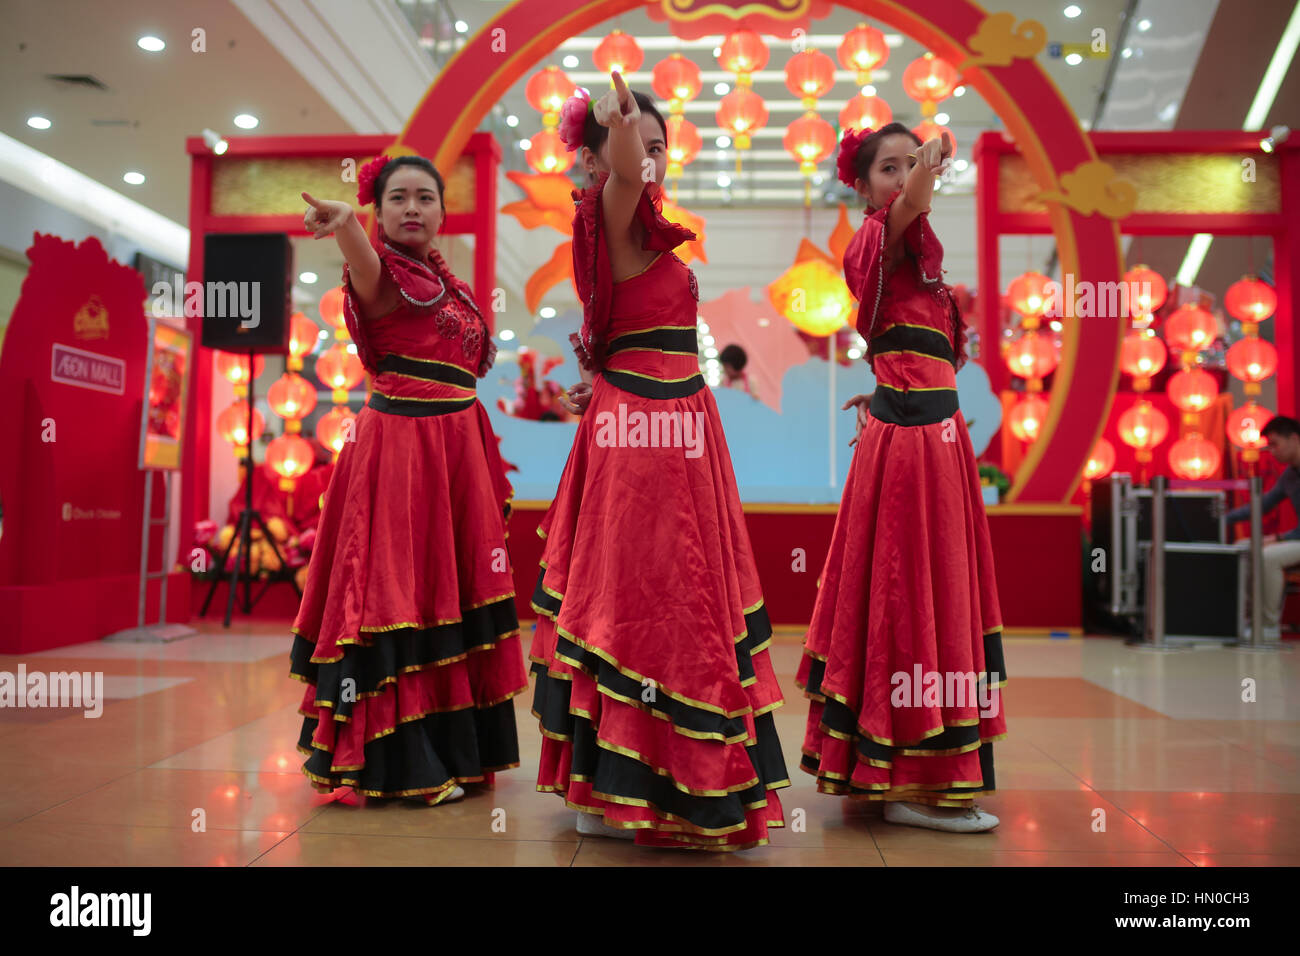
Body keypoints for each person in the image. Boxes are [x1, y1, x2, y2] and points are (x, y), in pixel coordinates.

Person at [528, 73, 789, 850]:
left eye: (659, 144)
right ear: (603, 157)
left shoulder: (643, 228)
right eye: (634, 144)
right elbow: (621, 177)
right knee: (647, 594)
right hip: (644, 424)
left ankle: (622, 779)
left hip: (675, 418)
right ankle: (628, 782)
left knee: (669, 591)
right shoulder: (610, 215)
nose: (651, 156)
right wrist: (619, 128)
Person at [290, 155, 527, 805]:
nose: (413, 208)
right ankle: (401, 764)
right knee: (396, 594)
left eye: (425, 197)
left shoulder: (445, 282)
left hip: (455, 448)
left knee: (446, 590)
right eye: (398, 198)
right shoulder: (378, 273)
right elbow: (363, 265)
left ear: (444, 212)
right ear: (379, 210)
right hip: (401, 448)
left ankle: (454, 753)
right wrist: (346, 226)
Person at [796, 123, 1006, 833]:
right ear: (863, 187)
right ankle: (920, 778)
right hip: (917, 446)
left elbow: (911, 354)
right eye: (888, 168)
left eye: (907, 166)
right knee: (918, 592)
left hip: (926, 438)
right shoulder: (877, 236)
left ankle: (896, 769)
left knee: (925, 591)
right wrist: (935, 149)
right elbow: (915, 197)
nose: (905, 177)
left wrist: (887, 393)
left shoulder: (917, 260)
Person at [1226, 415, 1300, 639]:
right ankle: (1247, 618)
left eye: (1275, 444)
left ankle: (1268, 626)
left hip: (1295, 538)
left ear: (1295, 439)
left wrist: (1279, 538)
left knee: (1269, 557)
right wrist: (1223, 517)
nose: (1272, 451)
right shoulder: (1290, 476)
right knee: (1242, 547)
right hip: (1296, 538)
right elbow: (1263, 505)